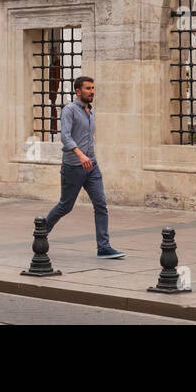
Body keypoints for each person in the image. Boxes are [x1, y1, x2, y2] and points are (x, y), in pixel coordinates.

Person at [42, 76, 125, 258]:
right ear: (78, 91)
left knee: (101, 204)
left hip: (91, 166)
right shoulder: (69, 110)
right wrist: (80, 155)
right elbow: (65, 137)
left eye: (93, 88)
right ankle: (41, 232)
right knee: (65, 206)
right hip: (73, 166)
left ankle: (103, 247)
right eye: (88, 88)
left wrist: (89, 157)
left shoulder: (91, 111)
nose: (92, 91)